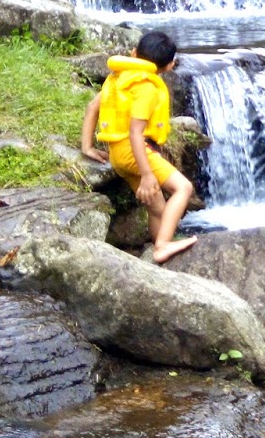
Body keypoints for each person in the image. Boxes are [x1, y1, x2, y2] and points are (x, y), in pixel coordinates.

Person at [80, 31, 198, 264]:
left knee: (157, 207)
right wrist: (146, 174)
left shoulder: (118, 77)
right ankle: (163, 246)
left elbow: (92, 108)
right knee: (183, 188)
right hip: (136, 152)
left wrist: (87, 147)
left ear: (134, 54)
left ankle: (159, 247)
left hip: (117, 154)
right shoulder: (147, 88)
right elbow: (135, 132)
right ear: (169, 66)